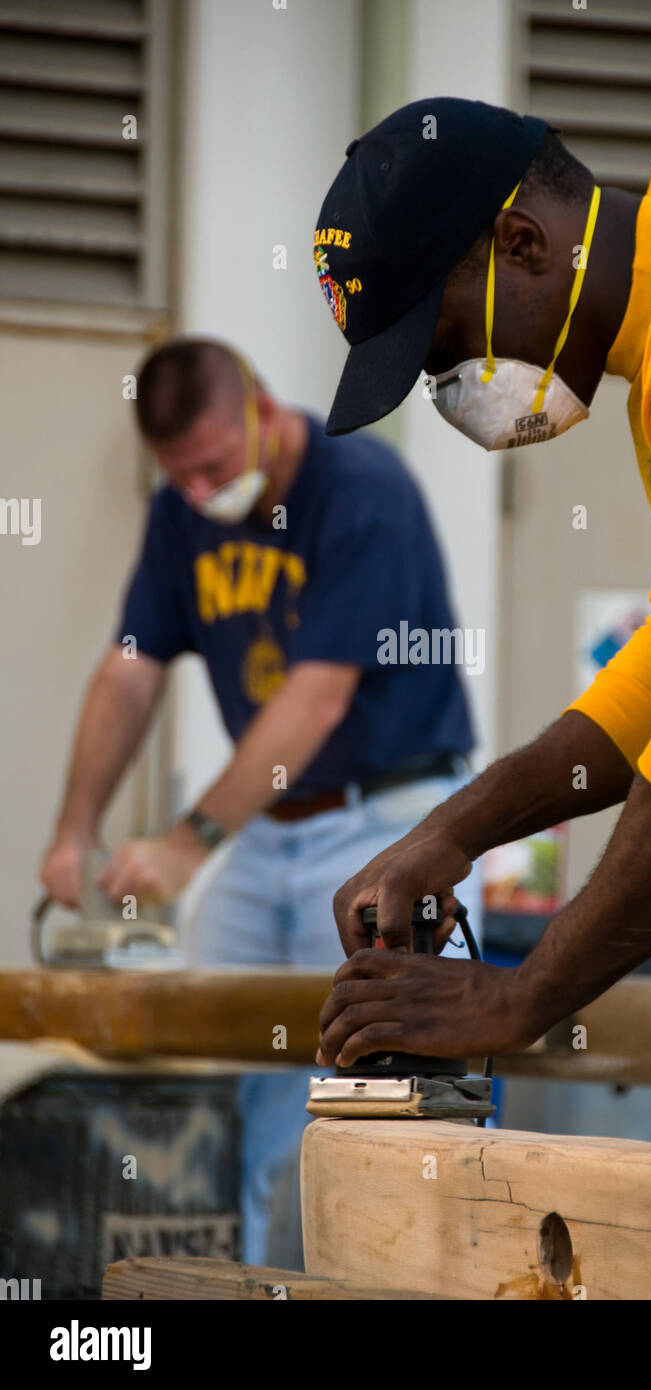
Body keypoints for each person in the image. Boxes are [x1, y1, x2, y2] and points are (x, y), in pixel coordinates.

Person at [310, 97, 651, 1159]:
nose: (453, 391)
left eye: (447, 347)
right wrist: (451, 833)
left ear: (521, 241)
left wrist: (519, 1000)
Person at [38, 336, 481, 1264]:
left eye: (211, 466)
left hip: (382, 823)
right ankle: (249, 1284)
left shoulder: (361, 487)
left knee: (359, 1091)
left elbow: (317, 695)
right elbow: (131, 672)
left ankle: (363, 1279)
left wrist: (187, 843)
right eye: (178, 476)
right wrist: (75, 829)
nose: (200, 493)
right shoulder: (181, 514)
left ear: (262, 408)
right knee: (227, 1086)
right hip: (271, 834)